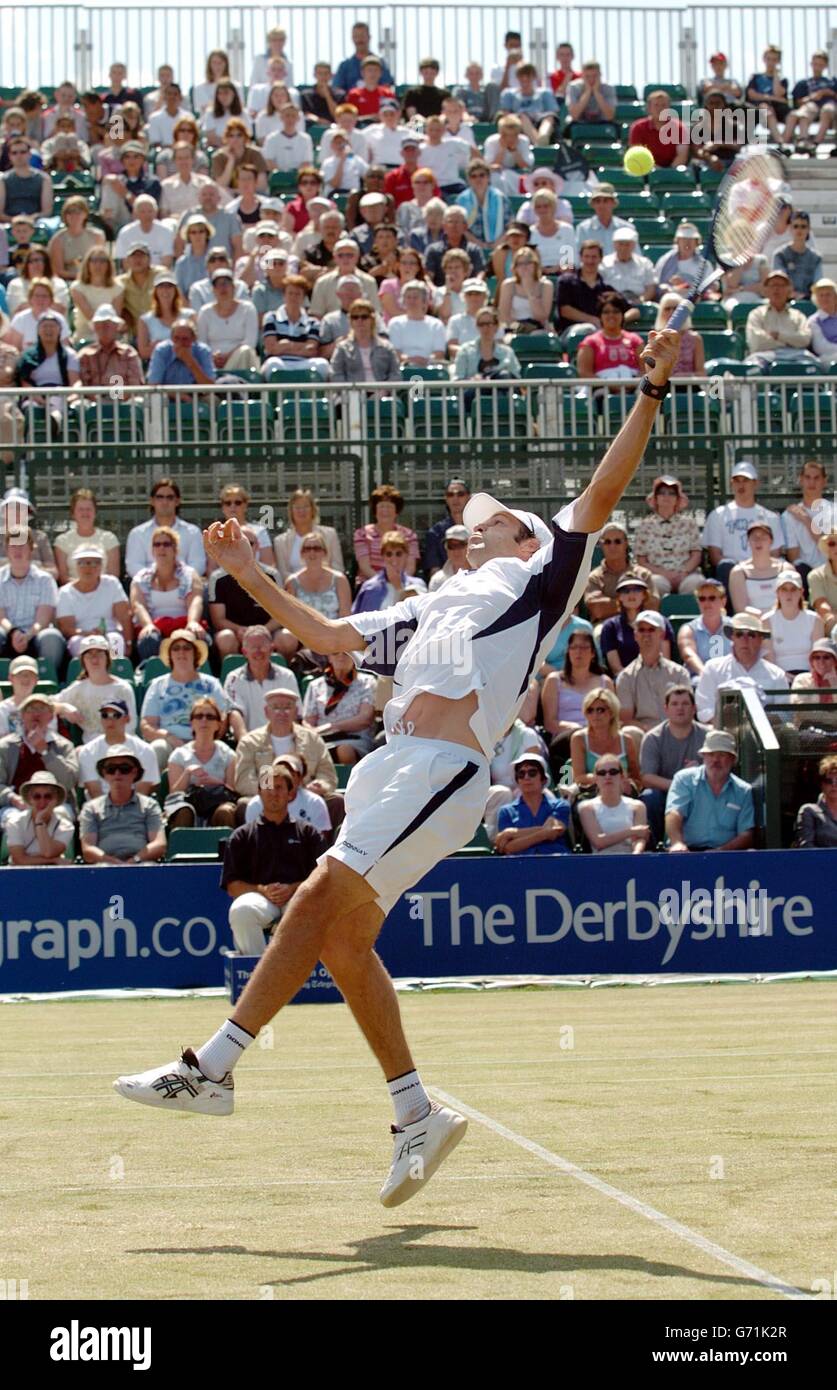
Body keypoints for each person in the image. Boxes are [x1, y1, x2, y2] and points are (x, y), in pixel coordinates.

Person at [113, 322, 685, 1207]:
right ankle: (414, 1112)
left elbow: (603, 492)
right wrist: (251, 575)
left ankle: (214, 1065)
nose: (472, 519)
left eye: (486, 516)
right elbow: (333, 638)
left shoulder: (537, 578)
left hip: (443, 770)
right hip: (392, 766)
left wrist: (648, 391)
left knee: (313, 895)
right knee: (343, 941)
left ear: (522, 537)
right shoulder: (432, 601)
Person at [223, 758, 325, 956]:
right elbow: (232, 885)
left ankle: (298, 974)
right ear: (259, 793)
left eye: (279, 787)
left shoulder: (309, 834)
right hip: (261, 900)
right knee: (241, 910)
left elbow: (322, 876)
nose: (273, 793)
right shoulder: (242, 836)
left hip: (299, 897)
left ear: (290, 793)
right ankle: (257, 975)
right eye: (267, 787)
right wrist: (262, 889)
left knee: (309, 909)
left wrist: (293, 888)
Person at [233, 687, 337, 811]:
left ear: (296, 711)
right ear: (266, 712)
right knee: (243, 805)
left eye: (287, 707)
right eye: (276, 707)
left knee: (336, 801)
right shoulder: (249, 742)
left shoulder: (312, 739)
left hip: (306, 798)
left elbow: (327, 773)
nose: (282, 713)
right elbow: (243, 779)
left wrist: (319, 785)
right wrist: (271, 790)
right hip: (266, 800)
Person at [140, 628, 228, 770]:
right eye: (176, 648)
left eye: (187, 648)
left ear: (196, 654)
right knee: (156, 748)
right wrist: (168, 737)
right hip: (169, 743)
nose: (181, 652)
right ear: (170, 655)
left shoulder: (212, 684)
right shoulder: (158, 685)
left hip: (206, 742)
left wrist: (201, 742)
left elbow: (222, 721)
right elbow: (147, 726)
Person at [639, 685, 710, 844]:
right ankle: (655, 845)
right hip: (666, 791)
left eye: (685, 704)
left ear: (694, 708)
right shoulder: (653, 738)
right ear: (666, 709)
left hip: (700, 791)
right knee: (650, 797)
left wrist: (699, 772)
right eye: (675, 704)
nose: (680, 708)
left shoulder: (707, 736)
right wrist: (679, 784)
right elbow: (647, 777)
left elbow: (718, 770)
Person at [665, 730, 755, 852]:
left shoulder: (743, 790)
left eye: (722, 755)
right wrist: (677, 843)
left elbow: (746, 834)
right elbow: (674, 814)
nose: (715, 760)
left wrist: (721, 850)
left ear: (733, 759)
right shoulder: (684, 779)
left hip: (726, 855)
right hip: (686, 853)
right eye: (711, 754)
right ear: (703, 757)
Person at [208, 525, 288, 662]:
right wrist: (241, 630)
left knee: (287, 638)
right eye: (237, 542)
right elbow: (218, 620)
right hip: (235, 632)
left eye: (249, 543)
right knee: (225, 638)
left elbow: (281, 614)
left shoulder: (272, 575)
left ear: (257, 546)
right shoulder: (217, 578)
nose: (243, 547)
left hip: (268, 631)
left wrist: (263, 631)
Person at [542, 629, 614, 777]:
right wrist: (576, 729)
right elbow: (549, 722)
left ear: (593, 653)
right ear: (568, 652)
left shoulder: (605, 682)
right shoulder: (554, 680)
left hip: (599, 735)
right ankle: (566, 785)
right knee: (576, 739)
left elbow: (613, 717)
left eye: (584, 647)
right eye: (573, 647)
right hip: (564, 739)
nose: (578, 652)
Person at [702, 461, 783, 591]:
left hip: (761, 569)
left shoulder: (770, 517)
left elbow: (774, 553)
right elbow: (715, 555)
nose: (741, 485)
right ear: (731, 483)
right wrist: (739, 571)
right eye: (737, 480)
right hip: (730, 570)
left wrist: (754, 568)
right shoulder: (718, 515)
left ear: (755, 483)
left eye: (746, 480)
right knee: (725, 566)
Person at [0, 693, 77, 830]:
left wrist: (45, 752)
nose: (36, 714)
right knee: (14, 822)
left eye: (42, 709)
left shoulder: (64, 746)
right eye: (30, 709)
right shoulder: (5, 746)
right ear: (22, 716)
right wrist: (13, 799)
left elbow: (69, 781)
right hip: (16, 805)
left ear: (51, 716)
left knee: (59, 820)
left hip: (55, 805)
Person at [695, 612, 788, 724]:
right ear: (732, 638)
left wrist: (754, 724)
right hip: (722, 732)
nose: (745, 640)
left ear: (760, 639)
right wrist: (730, 724)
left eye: (751, 635)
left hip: (767, 734)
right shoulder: (712, 669)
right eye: (739, 634)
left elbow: (784, 715)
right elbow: (704, 710)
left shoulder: (777, 675)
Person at [79, 745, 167, 865]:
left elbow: (159, 844)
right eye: (111, 769)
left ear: (134, 772)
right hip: (105, 866)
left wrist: (134, 860)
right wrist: (113, 863)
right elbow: (88, 848)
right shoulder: (91, 808)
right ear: (104, 773)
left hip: (141, 865)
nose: (117, 774)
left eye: (124, 768)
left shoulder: (149, 805)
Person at [130, 527, 205, 663]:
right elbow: (138, 606)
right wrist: (147, 625)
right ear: (152, 550)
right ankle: (150, 674)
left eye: (166, 544)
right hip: (154, 626)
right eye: (157, 544)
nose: (161, 548)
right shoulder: (140, 578)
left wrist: (193, 622)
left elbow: (196, 600)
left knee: (197, 635)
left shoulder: (190, 575)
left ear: (175, 549)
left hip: (184, 624)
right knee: (148, 639)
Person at [163, 697, 237, 830]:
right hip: (188, 803)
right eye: (199, 716)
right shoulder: (179, 755)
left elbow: (232, 790)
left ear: (218, 724)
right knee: (183, 811)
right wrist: (187, 773)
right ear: (192, 723)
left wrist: (215, 782)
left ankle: (225, 850)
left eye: (210, 717)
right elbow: (173, 794)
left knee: (226, 811)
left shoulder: (228, 755)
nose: (204, 720)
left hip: (216, 804)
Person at [0, 530, 64, 671]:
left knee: (52, 636)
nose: (17, 551)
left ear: (31, 549)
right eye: (13, 546)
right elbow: (1, 616)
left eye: (22, 545)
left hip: (35, 634)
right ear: (6, 549)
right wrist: (14, 632)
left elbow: (43, 619)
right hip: (8, 632)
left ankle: (49, 682)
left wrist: (28, 635)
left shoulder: (45, 580)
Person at [55, 632, 137, 741]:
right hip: (92, 749)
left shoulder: (122, 688)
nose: (94, 659)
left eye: (99, 653)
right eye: (89, 655)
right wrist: (63, 707)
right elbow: (47, 703)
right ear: (83, 660)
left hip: (121, 744)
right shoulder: (78, 689)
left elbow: (130, 726)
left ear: (107, 658)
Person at [224, 625, 300, 741]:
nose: (258, 651)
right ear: (244, 652)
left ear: (271, 648)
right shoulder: (233, 678)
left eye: (262, 646)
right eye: (253, 647)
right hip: (249, 741)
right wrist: (246, 743)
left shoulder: (287, 676)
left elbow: (295, 713)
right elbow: (235, 714)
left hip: (283, 740)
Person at [55, 547, 131, 660]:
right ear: (76, 566)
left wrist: (128, 642)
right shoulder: (65, 592)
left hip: (110, 633)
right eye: (83, 563)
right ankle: (84, 674)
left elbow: (124, 617)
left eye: (95, 563)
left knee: (116, 641)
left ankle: (117, 669)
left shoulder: (112, 584)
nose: (88, 567)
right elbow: (66, 627)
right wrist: (87, 633)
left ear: (101, 566)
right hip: (81, 636)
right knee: (77, 643)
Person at [634, 475, 704, 598]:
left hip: (685, 574)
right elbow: (641, 560)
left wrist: (683, 572)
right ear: (655, 498)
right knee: (655, 584)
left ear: (678, 499)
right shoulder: (645, 525)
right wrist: (664, 574)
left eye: (671, 493)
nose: (666, 496)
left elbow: (696, 554)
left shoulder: (689, 523)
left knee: (696, 583)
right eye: (662, 493)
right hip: (657, 574)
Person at [302, 651, 376, 765]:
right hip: (322, 739)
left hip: (354, 738)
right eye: (335, 653)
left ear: (355, 658)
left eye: (346, 653)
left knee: (344, 751)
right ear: (329, 658)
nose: (341, 657)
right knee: (304, 753)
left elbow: (365, 719)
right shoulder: (316, 685)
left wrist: (332, 727)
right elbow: (308, 722)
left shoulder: (367, 682)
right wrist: (315, 733)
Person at [615, 610, 684, 731]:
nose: (646, 634)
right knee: (629, 731)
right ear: (635, 635)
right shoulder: (626, 677)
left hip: (676, 732)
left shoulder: (679, 673)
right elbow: (625, 720)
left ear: (662, 635)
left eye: (651, 629)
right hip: (643, 734)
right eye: (641, 630)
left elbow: (685, 712)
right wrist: (653, 733)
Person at [78, 696, 158, 799]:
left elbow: (142, 791)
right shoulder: (87, 751)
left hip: (135, 810)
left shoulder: (145, 750)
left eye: (116, 715)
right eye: (105, 715)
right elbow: (94, 791)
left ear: (127, 718)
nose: (110, 720)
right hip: (99, 810)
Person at [126, 478, 206, 578]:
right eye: (159, 497)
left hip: (184, 589)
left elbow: (198, 565)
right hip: (148, 589)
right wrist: (156, 582)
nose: (164, 502)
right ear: (152, 501)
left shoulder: (193, 532)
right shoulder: (137, 534)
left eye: (170, 497)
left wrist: (175, 581)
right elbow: (133, 566)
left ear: (177, 501)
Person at [494, 753, 570, 856]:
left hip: (556, 862)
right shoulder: (506, 811)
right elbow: (508, 847)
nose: (526, 777)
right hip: (521, 866)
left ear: (543, 779)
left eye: (532, 773)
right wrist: (544, 833)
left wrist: (513, 833)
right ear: (517, 780)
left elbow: (556, 831)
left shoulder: (560, 805)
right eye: (521, 774)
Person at [582, 521, 657, 625]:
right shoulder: (594, 577)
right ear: (601, 545)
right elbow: (597, 609)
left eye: (617, 541)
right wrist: (634, 602)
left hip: (641, 625)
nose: (612, 546)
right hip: (605, 627)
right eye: (607, 542)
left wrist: (613, 603)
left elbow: (653, 605)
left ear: (626, 543)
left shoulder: (643, 574)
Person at [569, 686, 640, 794]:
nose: (595, 715)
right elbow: (579, 778)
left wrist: (623, 784)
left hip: (623, 795)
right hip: (592, 795)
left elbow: (636, 777)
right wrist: (610, 779)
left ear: (612, 712)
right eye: (590, 710)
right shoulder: (578, 739)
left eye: (600, 710)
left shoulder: (626, 740)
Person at [600, 574, 675, 676]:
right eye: (625, 591)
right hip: (626, 681)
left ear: (644, 595)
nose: (631, 594)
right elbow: (616, 668)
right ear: (619, 597)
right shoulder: (610, 627)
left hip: (659, 678)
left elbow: (666, 661)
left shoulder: (661, 621)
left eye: (637, 590)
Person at [578, 754, 649, 854]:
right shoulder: (586, 807)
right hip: (601, 863)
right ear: (596, 779)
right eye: (602, 773)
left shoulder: (638, 806)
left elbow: (639, 838)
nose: (608, 776)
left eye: (613, 772)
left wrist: (636, 853)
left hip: (631, 860)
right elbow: (598, 842)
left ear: (622, 776)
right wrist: (632, 831)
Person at [272, 491, 344, 586]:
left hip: (327, 588)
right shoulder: (280, 542)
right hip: (294, 591)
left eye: (306, 507)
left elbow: (337, 567)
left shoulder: (330, 535)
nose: (302, 511)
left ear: (313, 510)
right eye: (297, 507)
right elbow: (283, 574)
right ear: (291, 511)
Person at [195, 267, 259, 373]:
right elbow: (202, 343)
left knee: (246, 351)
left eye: (226, 283)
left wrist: (229, 356)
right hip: (213, 362)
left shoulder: (248, 309)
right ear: (213, 290)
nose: (223, 288)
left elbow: (250, 342)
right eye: (218, 285)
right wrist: (213, 357)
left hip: (242, 360)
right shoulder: (205, 312)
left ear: (234, 287)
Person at [5, 769, 74, 865]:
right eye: (37, 796)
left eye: (48, 796)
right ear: (30, 798)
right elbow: (19, 860)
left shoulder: (65, 826)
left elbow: (48, 852)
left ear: (56, 799)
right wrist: (53, 860)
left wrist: (39, 822)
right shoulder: (15, 822)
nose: (42, 801)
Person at [745, 270, 813, 365]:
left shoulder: (798, 316)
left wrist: (778, 336)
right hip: (764, 356)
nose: (777, 289)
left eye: (781, 285)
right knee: (752, 366)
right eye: (773, 285)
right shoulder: (757, 314)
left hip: (796, 356)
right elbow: (756, 342)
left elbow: (805, 339)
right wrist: (789, 342)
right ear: (765, 290)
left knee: (813, 364)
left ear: (789, 290)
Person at [764, 570, 824, 674]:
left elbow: (817, 658)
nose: (789, 594)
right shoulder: (767, 621)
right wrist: (783, 676)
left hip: (809, 676)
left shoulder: (815, 620)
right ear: (777, 592)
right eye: (784, 589)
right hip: (778, 677)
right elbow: (769, 659)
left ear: (801, 592)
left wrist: (806, 679)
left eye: (793, 589)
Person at [577, 291, 642, 385]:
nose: (611, 315)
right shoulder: (590, 342)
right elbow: (585, 373)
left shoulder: (635, 340)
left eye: (616, 311)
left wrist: (630, 385)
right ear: (600, 316)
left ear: (622, 315)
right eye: (606, 312)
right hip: (601, 390)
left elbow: (645, 370)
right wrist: (610, 386)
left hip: (634, 388)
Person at [328, 298, 401, 382]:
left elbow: (395, 373)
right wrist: (349, 392)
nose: (359, 320)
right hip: (351, 393)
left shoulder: (386, 347)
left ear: (372, 319)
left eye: (364, 317)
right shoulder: (342, 348)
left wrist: (384, 390)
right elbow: (335, 374)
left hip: (382, 393)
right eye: (355, 317)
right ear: (350, 321)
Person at [352, 532, 425, 614]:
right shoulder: (370, 587)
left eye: (399, 554)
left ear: (406, 555)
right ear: (382, 556)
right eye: (389, 554)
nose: (394, 560)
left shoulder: (418, 585)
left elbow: (420, 615)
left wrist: (398, 587)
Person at [783, 462, 832, 583]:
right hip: (804, 574)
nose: (812, 482)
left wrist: (806, 520)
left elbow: (830, 547)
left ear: (824, 481)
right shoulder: (789, 516)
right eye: (807, 477)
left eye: (816, 478)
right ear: (801, 480)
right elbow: (793, 557)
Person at [77, 304, 144, 390]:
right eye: (100, 324)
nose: (104, 328)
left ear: (117, 327)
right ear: (95, 327)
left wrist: (118, 400)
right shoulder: (85, 354)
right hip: (93, 401)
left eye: (108, 324)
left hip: (124, 400)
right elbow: (83, 384)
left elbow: (135, 384)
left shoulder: (128, 353)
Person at [677, 577, 732, 682]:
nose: (707, 603)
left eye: (712, 598)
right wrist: (706, 675)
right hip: (699, 679)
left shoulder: (734, 627)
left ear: (723, 601)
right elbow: (688, 655)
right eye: (702, 599)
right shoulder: (688, 629)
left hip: (730, 677)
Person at [729, 520, 786, 615]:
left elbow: (792, 602)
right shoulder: (738, 572)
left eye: (763, 538)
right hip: (751, 624)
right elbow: (740, 608)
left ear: (771, 541)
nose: (758, 541)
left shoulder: (785, 569)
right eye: (754, 538)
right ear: (748, 542)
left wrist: (774, 617)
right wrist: (763, 617)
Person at [785, 51, 837, 152]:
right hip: (812, 105)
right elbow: (799, 102)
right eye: (815, 64)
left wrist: (828, 92)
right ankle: (803, 141)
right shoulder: (803, 83)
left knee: (827, 109)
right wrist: (812, 97)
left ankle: (815, 143)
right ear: (811, 64)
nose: (817, 67)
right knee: (805, 112)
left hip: (829, 106)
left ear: (825, 65)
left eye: (820, 65)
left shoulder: (832, 82)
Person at [146, 316, 215, 391]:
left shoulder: (203, 351)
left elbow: (209, 387)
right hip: (167, 396)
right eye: (176, 338)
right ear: (171, 338)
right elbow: (154, 385)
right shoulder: (161, 351)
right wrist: (181, 396)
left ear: (193, 339)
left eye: (185, 339)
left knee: (213, 400)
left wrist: (191, 362)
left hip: (197, 396)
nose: (180, 343)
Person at [387, 281, 447, 365]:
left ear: (424, 301)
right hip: (403, 368)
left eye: (415, 297)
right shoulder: (395, 323)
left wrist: (425, 361)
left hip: (430, 368)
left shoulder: (436, 325)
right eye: (408, 297)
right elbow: (395, 352)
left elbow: (439, 353)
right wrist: (410, 360)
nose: (411, 301)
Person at [628, 90, 691, 169]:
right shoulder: (638, 127)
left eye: (663, 105)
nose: (660, 108)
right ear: (649, 108)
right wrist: (656, 171)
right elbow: (637, 154)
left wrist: (668, 173)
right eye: (656, 105)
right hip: (645, 170)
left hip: (674, 172)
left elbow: (682, 156)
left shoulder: (680, 127)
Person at [48, 198, 105, 283]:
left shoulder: (97, 236)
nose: (74, 216)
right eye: (70, 212)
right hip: (68, 282)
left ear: (85, 214)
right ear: (65, 216)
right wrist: (80, 277)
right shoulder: (57, 240)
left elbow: (102, 263)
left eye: (78, 212)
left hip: (94, 281)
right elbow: (58, 271)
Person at [456, 158, 508, 250]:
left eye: (482, 175)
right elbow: (460, 227)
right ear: (468, 179)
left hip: (499, 248)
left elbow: (510, 225)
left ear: (488, 177)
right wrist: (479, 245)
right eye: (473, 176)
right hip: (469, 248)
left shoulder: (500, 197)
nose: (478, 179)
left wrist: (496, 245)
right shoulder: (462, 200)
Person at [555, 239, 606, 332]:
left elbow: (632, 310)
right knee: (589, 329)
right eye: (586, 256)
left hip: (599, 331)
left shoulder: (605, 286)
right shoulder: (566, 281)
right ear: (580, 257)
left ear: (601, 259)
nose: (590, 261)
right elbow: (565, 310)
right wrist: (592, 320)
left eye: (594, 257)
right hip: (570, 332)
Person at [602, 227, 657, 307]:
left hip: (638, 303)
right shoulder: (604, 263)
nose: (623, 248)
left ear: (634, 245)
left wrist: (640, 300)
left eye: (627, 244)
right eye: (620, 244)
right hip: (612, 304)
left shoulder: (645, 263)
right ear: (614, 245)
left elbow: (650, 289)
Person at [745, 46, 789, 145]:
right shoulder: (756, 77)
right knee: (767, 110)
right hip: (760, 109)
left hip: (778, 110)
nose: (771, 62)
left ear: (778, 61)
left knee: (791, 116)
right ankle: (780, 142)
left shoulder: (782, 80)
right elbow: (752, 95)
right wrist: (773, 98)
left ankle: (785, 142)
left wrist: (776, 76)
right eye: (768, 59)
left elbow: (778, 92)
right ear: (764, 59)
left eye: (774, 59)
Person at [772, 211, 822, 298]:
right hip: (785, 301)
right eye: (796, 226)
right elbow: (779, 282)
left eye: (803, 226)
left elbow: (817, 284)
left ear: (809, 229)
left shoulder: (816, 257)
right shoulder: (780, 255)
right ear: (790, 228)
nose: (799, 230)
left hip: (809, 302)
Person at [654, 295, 706, 376]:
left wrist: (682, 377)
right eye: (667, 309)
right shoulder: (655, 337)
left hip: (689, 386)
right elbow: (650, 371)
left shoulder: (695, 339)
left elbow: (701, 373)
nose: (672, 312)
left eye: (676, 308)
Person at [335, 24, 395, 93]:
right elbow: (338, 89)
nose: (359, 40)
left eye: (362, 36)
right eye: (356, 36)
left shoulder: (380, 63)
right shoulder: (345, 66)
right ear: (352, 38)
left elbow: (386, 86)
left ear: (369, 37)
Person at [575, 186, 630, 260]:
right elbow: (578, 257)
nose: (601, 205)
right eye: (597, 201)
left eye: (606, 201)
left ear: (613, 203)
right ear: (593, 205)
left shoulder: (626, 228)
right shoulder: (583, 229)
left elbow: (635, 256)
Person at [795, 754, 837, 846]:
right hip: (822, 860)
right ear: (822, 784)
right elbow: (807, 848)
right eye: (829, 781)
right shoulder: (809, 811)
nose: (834, 785)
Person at [565, 60, 616, 132]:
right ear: (582, 76)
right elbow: (574, 115)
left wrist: (596, 92)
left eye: (595, 76)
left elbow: (610, 116)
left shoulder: (609, 88)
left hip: (603, 124)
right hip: (578, 124)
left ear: (600, 75)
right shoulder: (573, 87)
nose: (591, 79)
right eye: (587, 76)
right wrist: (587, 92)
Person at [808, 529, 837, 635]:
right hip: (832, 626)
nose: (836, 548)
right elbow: (822, 606)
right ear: (827, 548)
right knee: (832, 621)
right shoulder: (815, 575)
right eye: (832, 544)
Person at [427, 526, 472, 592]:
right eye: (451, 546)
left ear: (470, 546)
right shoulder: (437, 580)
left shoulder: (482, 575)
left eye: (461, 545)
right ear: (446, 548)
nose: (456, 551)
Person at [808, 277, 837, 363]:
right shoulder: (813, 321)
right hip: (827, 360)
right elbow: (820, 347)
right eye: (821, 295)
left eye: (828, 294)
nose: (825, 298)